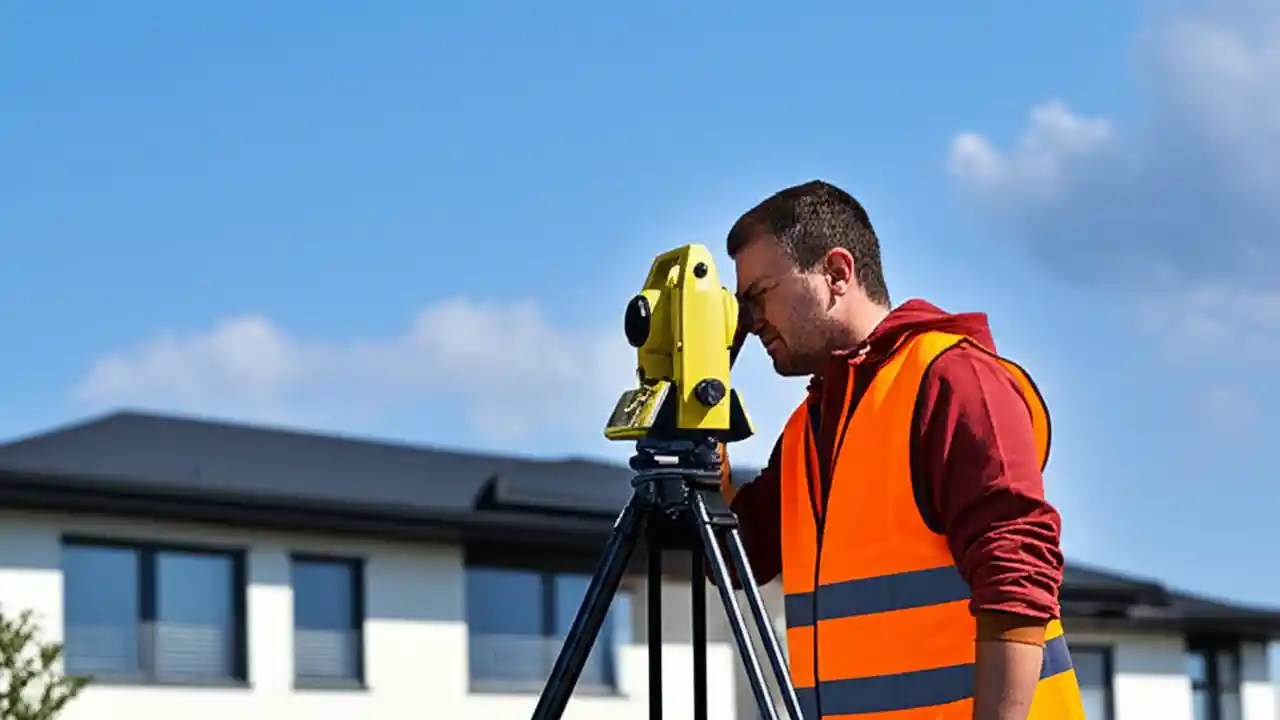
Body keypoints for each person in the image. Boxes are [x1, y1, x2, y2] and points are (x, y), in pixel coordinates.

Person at [717, 180, 1086, 719]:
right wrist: (698, 422)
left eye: (759, 295)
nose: (749, 324)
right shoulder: (808, 432)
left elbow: (1016, 572)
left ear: (837, 273)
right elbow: (736, 558)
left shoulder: (951, 380)